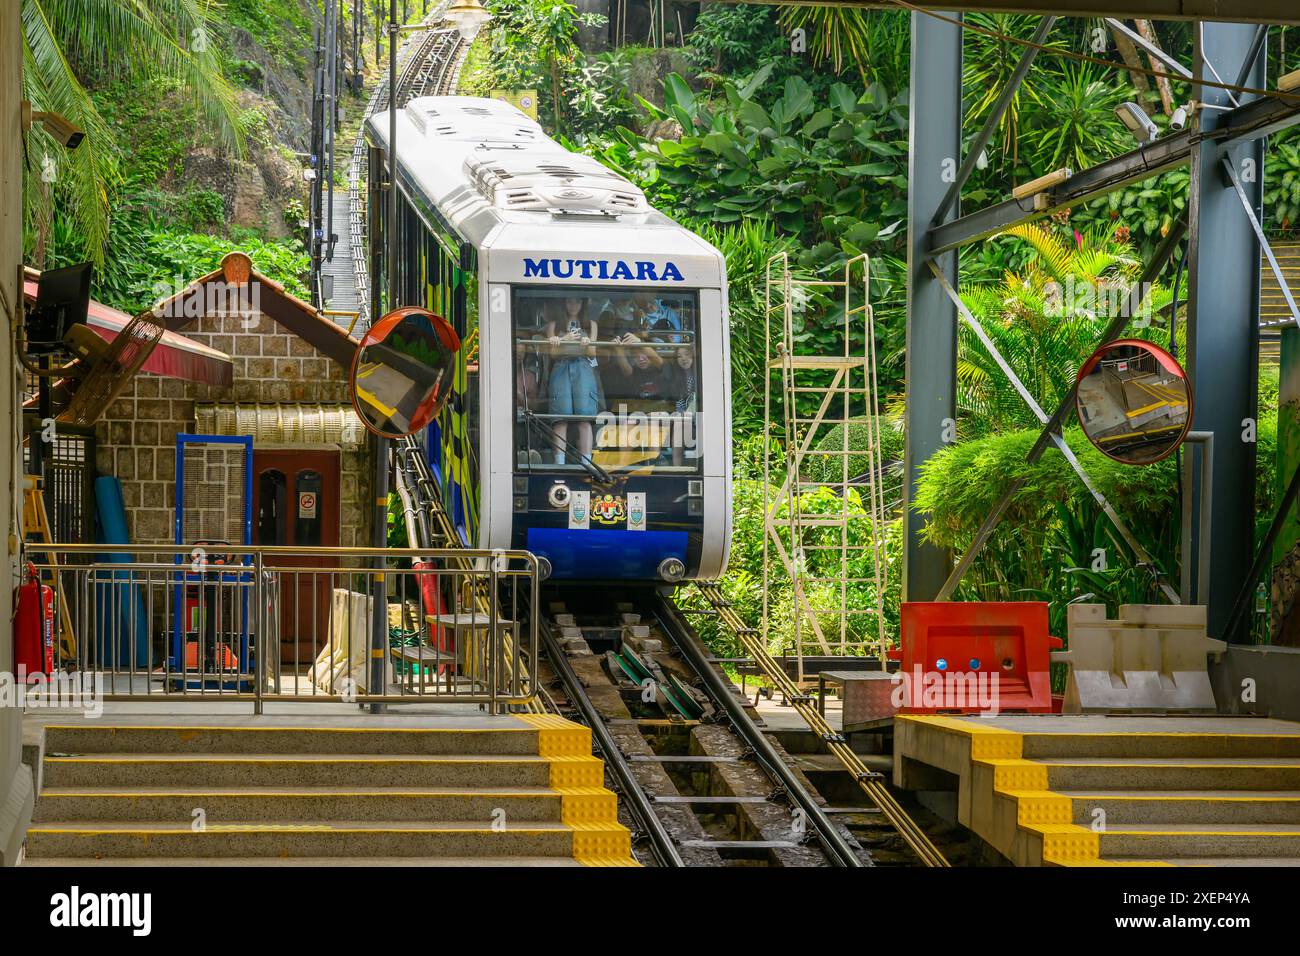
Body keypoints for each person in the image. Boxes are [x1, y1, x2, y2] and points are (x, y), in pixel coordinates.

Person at [544, 297, 599, 465]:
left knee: (585, 416)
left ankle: (587, 463)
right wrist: (564, 339)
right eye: (569, 302)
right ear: (564, 304)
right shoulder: (554, 325)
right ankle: (559, 463)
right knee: (561, 417)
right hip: (561, 368)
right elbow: (552, 354)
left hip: (583, 367)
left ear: (582, 304)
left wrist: (587, 343)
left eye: (577, 302)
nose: (573, 305)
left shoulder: (591, 324)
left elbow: (593, 353)